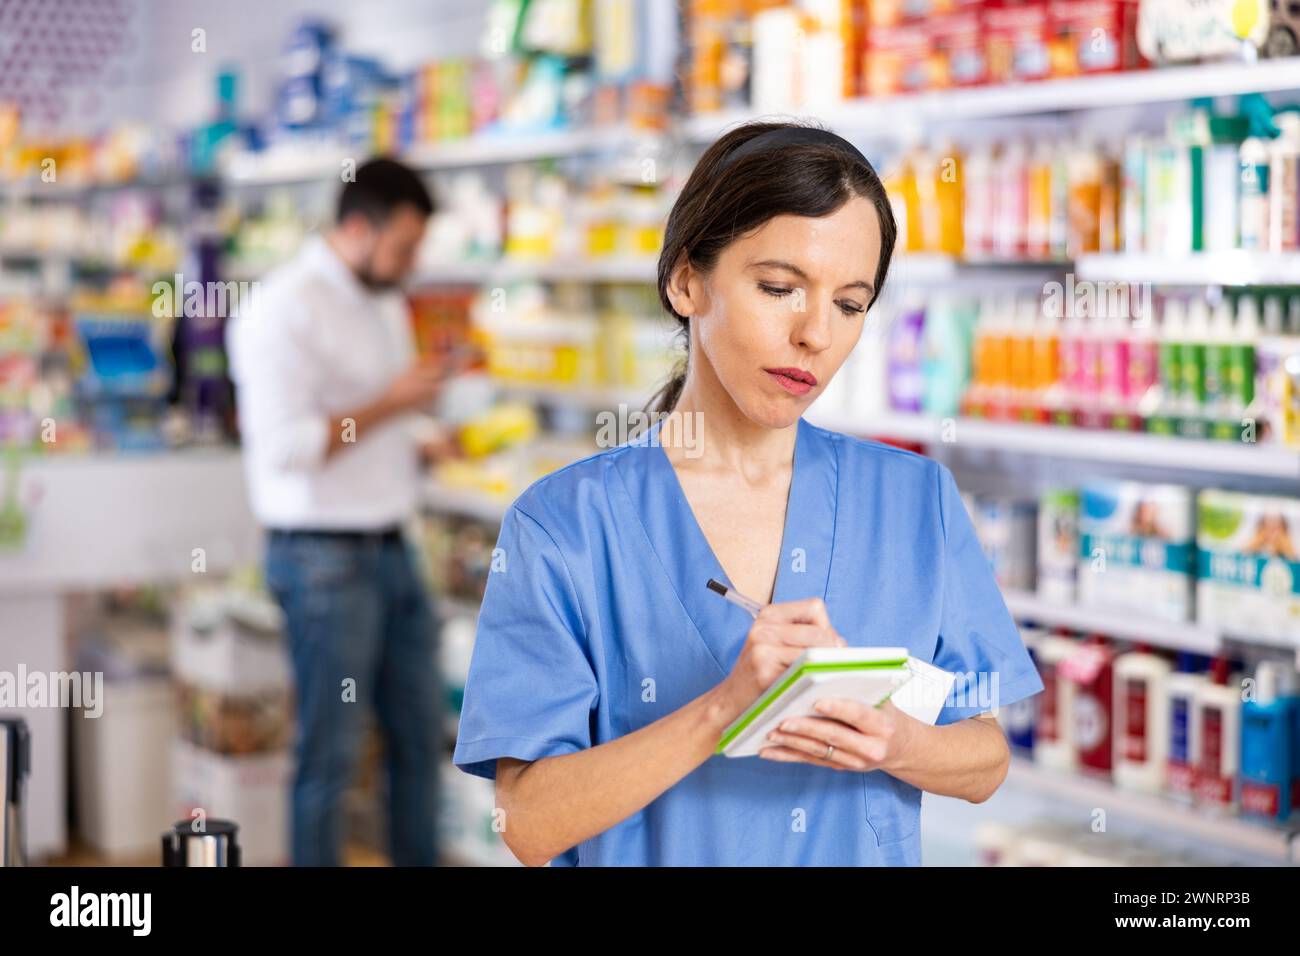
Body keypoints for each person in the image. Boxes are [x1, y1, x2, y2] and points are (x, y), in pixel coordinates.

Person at [452, 122, 1044, 866]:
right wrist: (725, 710)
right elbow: (528, 824)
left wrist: (894, 737)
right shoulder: (565, 525)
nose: (815, 335)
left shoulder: (912, 499)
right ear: (686, 280)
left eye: (850, 304)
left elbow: (985, 759)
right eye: (778, 288)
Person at [227, 158, 453, 866]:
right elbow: (287, 448)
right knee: (329, 754)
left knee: (421, 740)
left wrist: (420, 438)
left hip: (393, 545)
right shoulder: (281, 308)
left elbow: (375, 421)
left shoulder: (382, 295)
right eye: (404, 247)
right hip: (321, 558)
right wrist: (396, 402)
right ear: (359, 228)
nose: (412, 262)